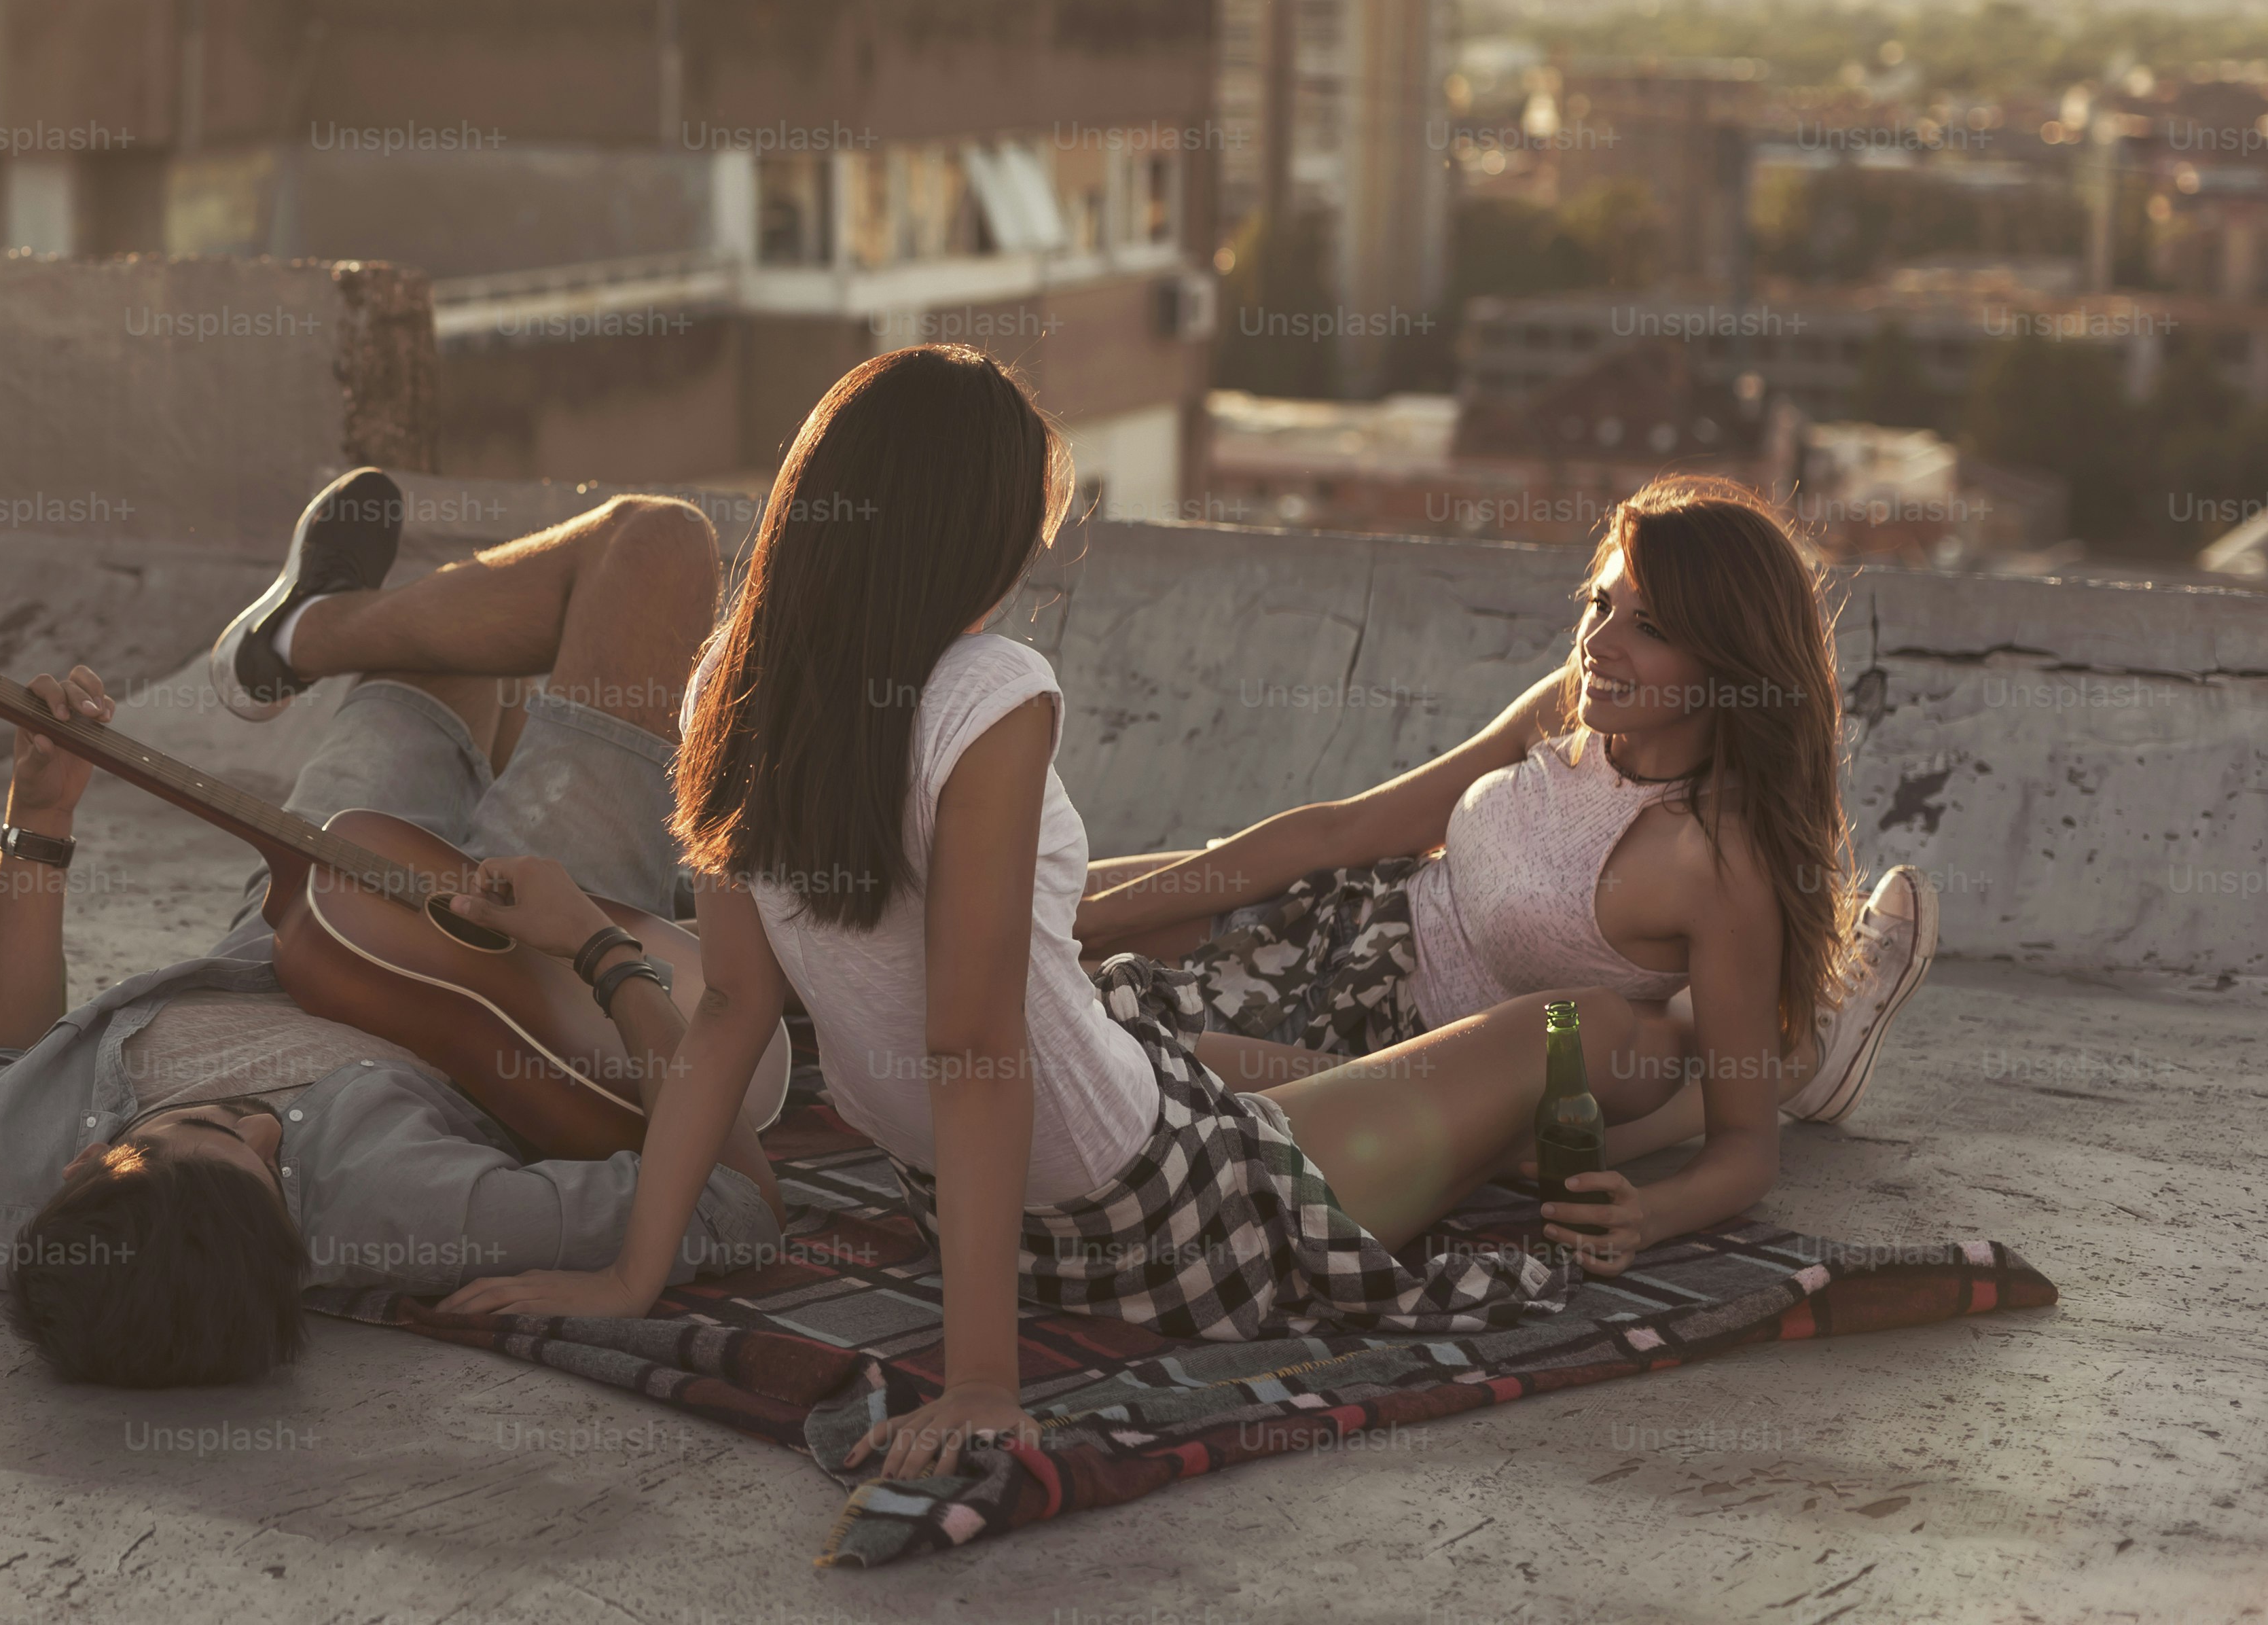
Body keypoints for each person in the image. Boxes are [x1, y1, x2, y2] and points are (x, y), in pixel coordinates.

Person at [448, 347, 1710, 1482]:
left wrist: (629, 1273)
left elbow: (730, 1004)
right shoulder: (988, 690)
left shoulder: (734, 671)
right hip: (1162, 1212)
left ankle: (1400, 1094)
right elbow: (975, 1045)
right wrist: (984, 1381)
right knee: (1594, 1031)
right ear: (968, 538)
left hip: (978, 1202)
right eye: (1020, 532)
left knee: (1206, 1036)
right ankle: (1718, 1091)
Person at [0, 472, 785, 1385]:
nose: (270, 1133)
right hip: (530, 965)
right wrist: (603, 951)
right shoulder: (407, 1213)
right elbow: (738, 1203)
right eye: (273, 1180)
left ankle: (300, 634)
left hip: (311, 912)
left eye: (216, 1124)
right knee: (660, 546)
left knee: (450, 637)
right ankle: (311, 636)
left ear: (85, 1165)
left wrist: (38, 821)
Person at [1073, 476, 1936, 1150]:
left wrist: (1633, 1169)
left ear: (1732, 659)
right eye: (1602, 604)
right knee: (1048, 914)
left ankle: (1801, 1051)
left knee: (1107, 1053)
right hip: (1343, 921)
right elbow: (1341, 831)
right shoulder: (1574, 704)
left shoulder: (1709, 861)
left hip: (1399, 1048)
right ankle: (1805, 1041)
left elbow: (1726, 1142)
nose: (1598, 644)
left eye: (1651, 626)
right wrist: (1081, 919)